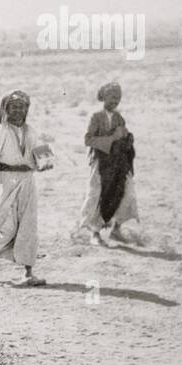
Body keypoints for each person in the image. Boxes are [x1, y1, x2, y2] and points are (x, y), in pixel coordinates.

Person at [0, 90, 47, 287]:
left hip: (28, 181)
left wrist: (45, 161)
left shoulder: (31, 131)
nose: (18, 111)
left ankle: (28, 272)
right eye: (14, 107)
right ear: (6, 109)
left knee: (29, 226)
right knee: (7, 227)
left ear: (27, 110)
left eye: (22, 107)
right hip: (5, 180)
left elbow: (43, 155)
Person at [77, 81, 138, 244]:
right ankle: (95, 233)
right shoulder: (96, 117)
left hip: (118, 162)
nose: (115, 101)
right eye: (112, 97)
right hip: (101, 162)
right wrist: (112, 138)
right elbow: (88, 140)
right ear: (103, 97)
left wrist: (126, 138)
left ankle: (116, 229)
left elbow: (124, 138)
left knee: (126, 192)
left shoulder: (119, 117)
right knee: (97, 194)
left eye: (118, 98)